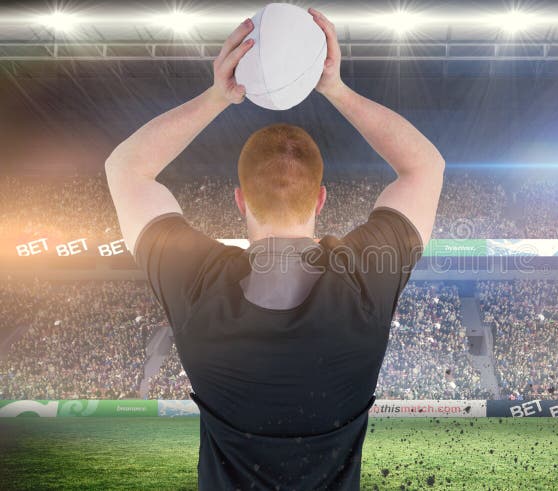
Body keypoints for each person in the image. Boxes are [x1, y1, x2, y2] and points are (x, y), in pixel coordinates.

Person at [105, 9, 444, 491]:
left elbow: (126, 169)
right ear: (321, 197)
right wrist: (334, 87)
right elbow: (425, 167)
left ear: (240, 199)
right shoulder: (365, 278)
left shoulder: (197, 282)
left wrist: (219, 95)